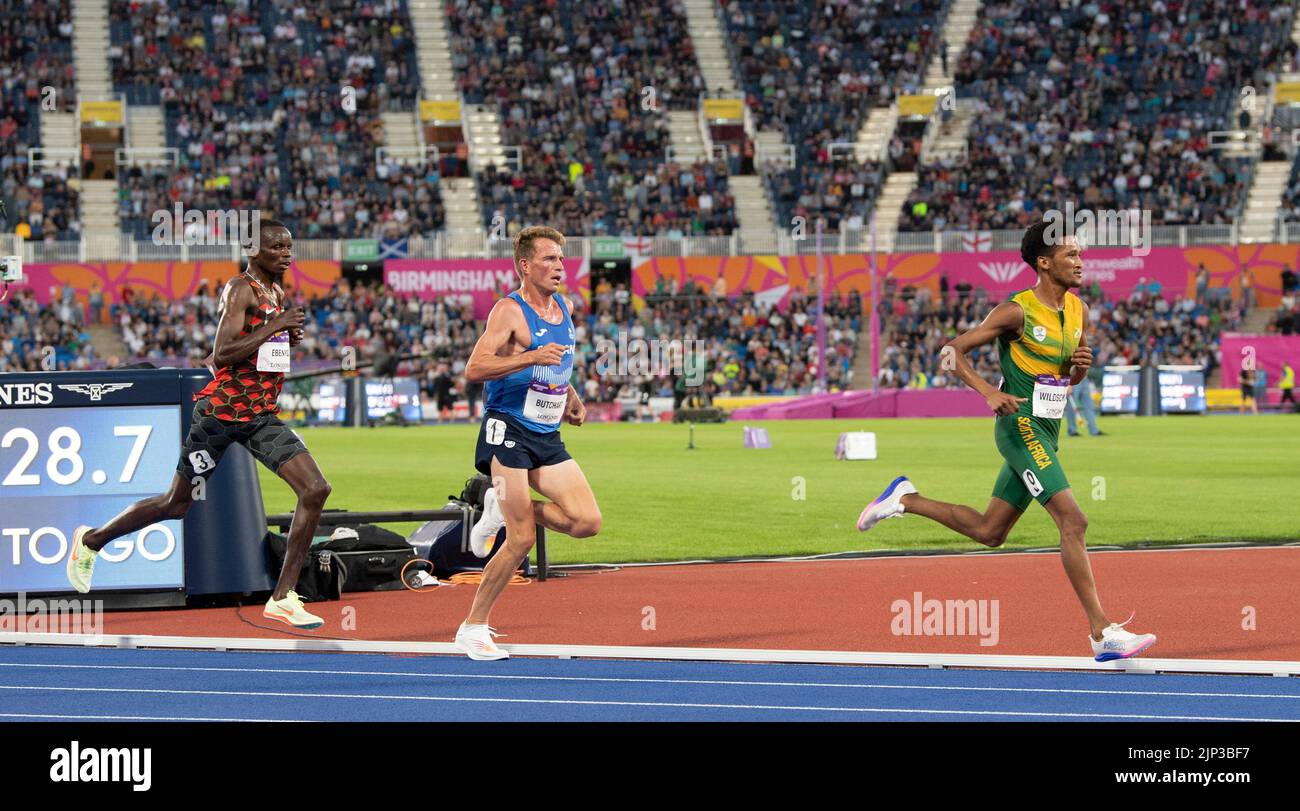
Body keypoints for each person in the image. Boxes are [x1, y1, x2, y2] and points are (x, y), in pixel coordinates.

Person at [856, 220, 1156, 662]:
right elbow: (950, 352)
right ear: (1044, 262)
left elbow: (1068, 379)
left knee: (989, 531)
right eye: (1070, 255)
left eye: (1080, 254)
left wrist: (1080, 368)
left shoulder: (1079, 311)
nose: (1079, 262)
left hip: (1048, 429)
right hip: (1020, 426)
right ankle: (1101, 632)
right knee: (1073, 520)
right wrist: (989, 391)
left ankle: (905, 498)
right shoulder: (1015, 311)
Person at [65, 220, 332, 629]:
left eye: (289, 247)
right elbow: (222, 354)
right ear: (252, 249)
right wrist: (275, 327)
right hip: (221, 415)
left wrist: (283, 339)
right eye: (277, 247)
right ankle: (90, 541)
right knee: (176, 503)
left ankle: (282, 597)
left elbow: (258, 349)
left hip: (259, 415)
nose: (286, 253)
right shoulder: (239, 289)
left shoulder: (276, 291)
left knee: (315, 489)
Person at [454, 226, 602, 660]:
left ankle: (504, 506)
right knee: (520, 538)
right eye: (550, 259)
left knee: (586, 521)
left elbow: (561, 364)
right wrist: (529, 357)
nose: (560, 266)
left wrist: (571, 396)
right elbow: (475, 367)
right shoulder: (508, 312)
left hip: (546, 432)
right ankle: (472, 627)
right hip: (508, 430)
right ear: (525, 265)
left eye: (562, 258)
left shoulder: (565, 307)